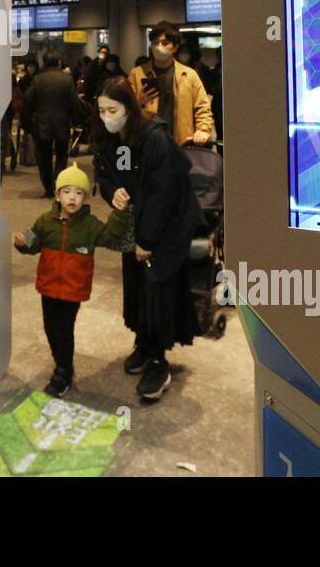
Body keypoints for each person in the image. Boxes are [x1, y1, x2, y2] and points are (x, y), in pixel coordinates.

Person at [92, 76, 205, 401]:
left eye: (111, 109)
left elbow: (162, 194)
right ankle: (144, 344)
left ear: (129, 107)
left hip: (166, 226)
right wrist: (114, 193)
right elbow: (108, 175)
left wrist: (147, 240)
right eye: (101, 110)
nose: (105, 117)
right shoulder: (119, 138)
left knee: (158, 290)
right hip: (138, 222)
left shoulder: (154, 137)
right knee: (138, 287)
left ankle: (159, 361)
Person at [13, 163, 131, 397]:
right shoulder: (45, 221)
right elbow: (32, 243)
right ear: (57, 194)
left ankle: (63, 371)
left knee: (63, 330)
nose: (72, 198)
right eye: (67, 192)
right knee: (50, 328)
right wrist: (21, 243)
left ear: (85, 198)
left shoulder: (90, 225)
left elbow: (111, 236)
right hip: (48, 287)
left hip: (72, 290)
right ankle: (60, 361)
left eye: (79, 193)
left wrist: (119, 213)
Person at [130, 21, 215, 147]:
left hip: (181, 142)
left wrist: (203, 129)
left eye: (164, 43)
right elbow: (123, 109)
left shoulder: (189, 75)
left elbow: (202, 107)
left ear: (175, 47)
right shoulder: (137, 74)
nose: (158, 47)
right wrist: (138, 101)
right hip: (148, 142)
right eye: (155, 43)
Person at [23, 51, 87, 198]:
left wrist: (33, 113)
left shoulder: (37, 79)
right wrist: (76, 121)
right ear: (58, 62)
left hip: (42, 123)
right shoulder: (67, 79)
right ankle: (58, 181)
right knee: (61, 155)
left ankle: (48, 188)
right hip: (62, 122)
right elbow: (74, 102)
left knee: (44, 157)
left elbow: (27, 98)